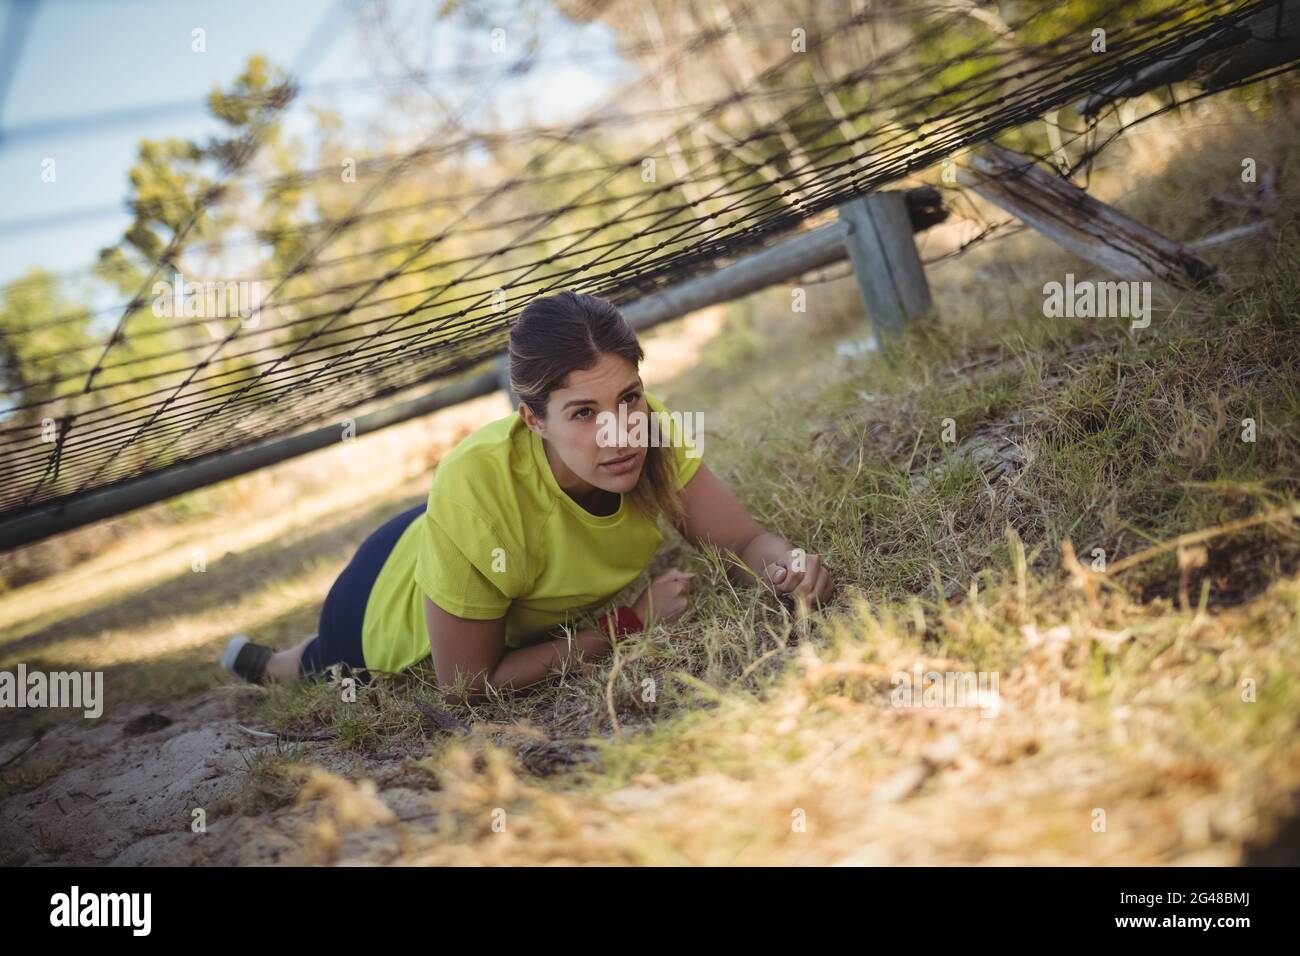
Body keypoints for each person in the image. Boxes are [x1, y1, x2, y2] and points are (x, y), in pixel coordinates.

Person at [220, 290, 833, 698]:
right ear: (534, 420)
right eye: (584, 412)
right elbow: (464, 685)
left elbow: (744, 540)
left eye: (629, 396)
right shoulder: (476, 485)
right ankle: (272, 662)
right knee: (316, 664)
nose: (619, 432)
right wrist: (628, 624)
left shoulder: (648, 429)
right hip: (377, 605)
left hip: (447, 531)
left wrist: (788, 566)